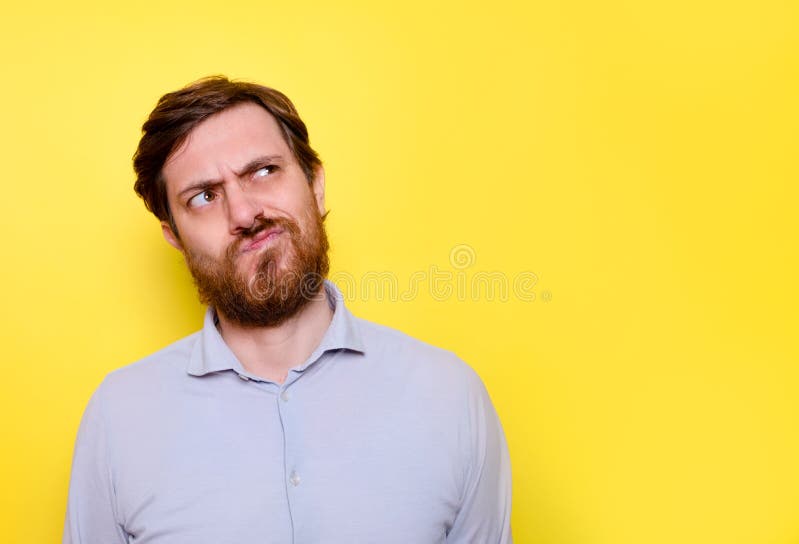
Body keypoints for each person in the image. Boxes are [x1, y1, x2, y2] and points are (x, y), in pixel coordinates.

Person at [64, 76, 512, 543]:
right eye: (204, 196)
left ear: (315, 184)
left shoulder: (449, 396)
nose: (243, 214)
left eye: (263, 171)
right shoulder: (119, 419)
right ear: (174, 236)